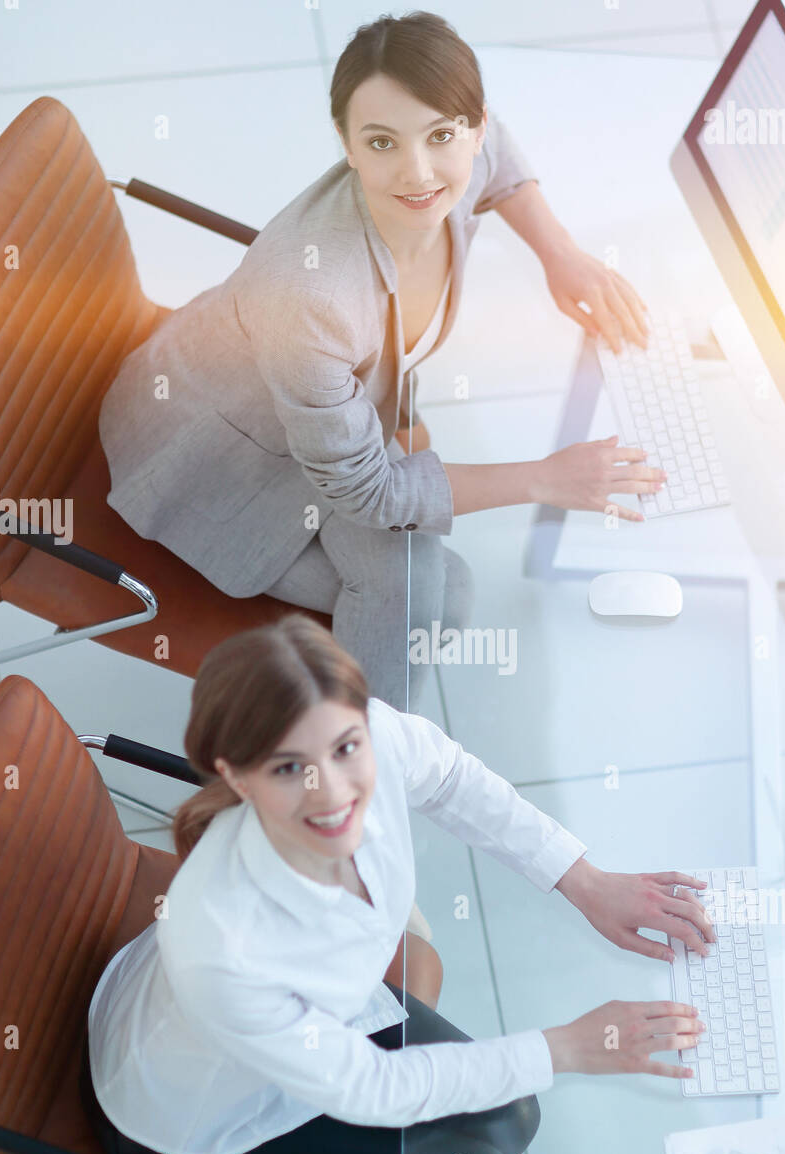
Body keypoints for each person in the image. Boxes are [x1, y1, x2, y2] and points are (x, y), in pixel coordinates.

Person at [82, 614, 715, 1154]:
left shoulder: (364, 736)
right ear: (235, 776)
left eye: (345, 749)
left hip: (299, 1031)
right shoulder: (226, 948)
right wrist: (568, 1046)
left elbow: (446, 777)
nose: (335, 794)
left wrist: (584, 881)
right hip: (192, 1128)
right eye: (290, 768)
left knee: (512, 1118)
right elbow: (372, 1090)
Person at [98, 11, 663, 710]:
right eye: (382, 142)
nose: (419, 173)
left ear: (474, 125)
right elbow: (368, 493)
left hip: (309, 410)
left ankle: (359, 756)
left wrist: (562, 257)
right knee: (437, 594)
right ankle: (364, 772)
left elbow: (503, 158)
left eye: (442, 135)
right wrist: (545, 478)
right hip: (205, 452)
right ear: (346, 145)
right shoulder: (311, 296)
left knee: (427, 595)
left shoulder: (468, 152)